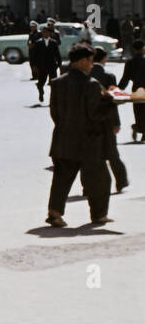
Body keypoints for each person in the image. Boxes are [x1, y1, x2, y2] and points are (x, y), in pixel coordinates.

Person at [46, 44, 117, 227]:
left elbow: (54, 113)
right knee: (100, 180)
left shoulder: (57, 82)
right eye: (91, 61)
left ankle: (54, 213)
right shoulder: (91, 85)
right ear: (83, 61)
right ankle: (99, 215)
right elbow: (95, 114)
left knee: (61, 179)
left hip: (63, 138)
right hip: (88, 141)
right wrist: (110, 103)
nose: (92, 65)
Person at [91, 47, 128, 192]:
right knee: (112, 154)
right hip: (107, 119)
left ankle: (88, 187)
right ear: (104, 58)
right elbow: (114, 101)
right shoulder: (109, 77)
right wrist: (116, 122)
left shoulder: (85, 75)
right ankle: (121, 181)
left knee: (91, 156)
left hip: (89, 120)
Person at [121, 39, 145, 142]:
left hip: (136, 91)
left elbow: (125, 79)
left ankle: (137, 127)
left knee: (138, 112)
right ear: (143, 48)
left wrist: (117, 91)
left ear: (134, 49)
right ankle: (142, 131)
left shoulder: (130, 63)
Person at [33, 26, 62, 104]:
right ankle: (41, 93)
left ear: (49, 33)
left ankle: (53, 99)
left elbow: (57, 54)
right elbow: (34, 55)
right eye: (43, 32)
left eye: (46, 32)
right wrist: (35, 65)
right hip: (42, 66)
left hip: (52, 66)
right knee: (40, 83)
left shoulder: (53, 42)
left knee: (54, 83)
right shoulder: (38, 42)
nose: (44, 33)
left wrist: (59, 64)